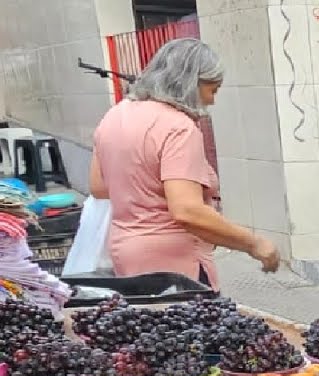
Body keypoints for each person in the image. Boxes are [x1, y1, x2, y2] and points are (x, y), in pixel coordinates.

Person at [89, 38, 279, 288]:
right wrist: (253, 243)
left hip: (126, 252)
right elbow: (187, 211)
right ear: (191, 83)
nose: (212, 101)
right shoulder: (178, 127)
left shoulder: (116, 114)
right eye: (213, 90)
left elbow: (99, 186)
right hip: (174, 264)